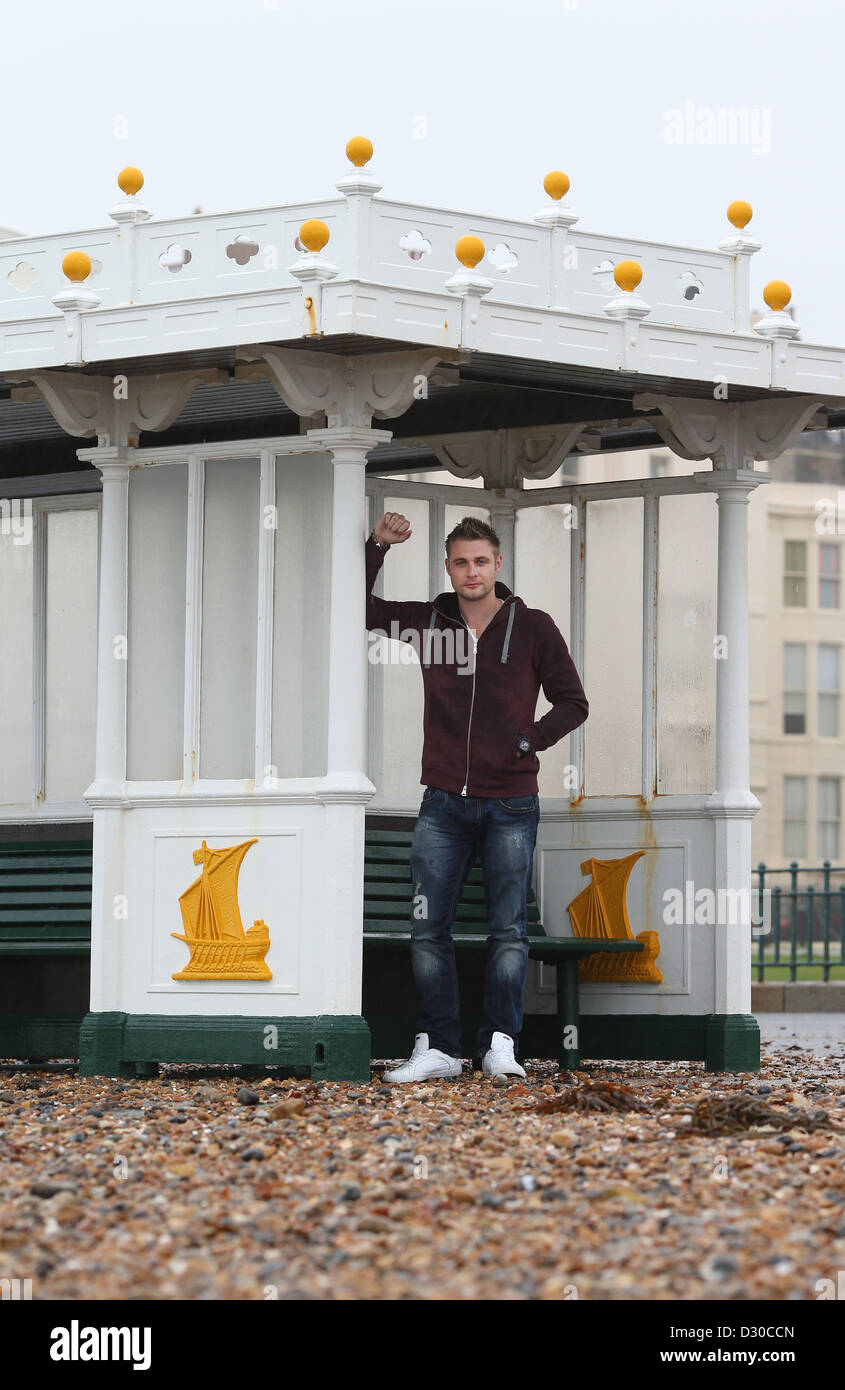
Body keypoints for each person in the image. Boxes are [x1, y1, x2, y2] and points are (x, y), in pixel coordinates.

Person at [366, 512, 588, 1082]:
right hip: (443, 801)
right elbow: (360, 610)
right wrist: (377, 547)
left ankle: (499, 1045)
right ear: (448, 566)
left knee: (508, 931)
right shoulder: (428, 623)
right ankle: (438, 1047)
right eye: (461, 562)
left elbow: (572, 701)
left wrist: (530, 739)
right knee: (427, 929)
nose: (471, 571)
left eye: (481, 561)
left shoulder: (533, 626)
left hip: (512, 801)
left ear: (498, 565)